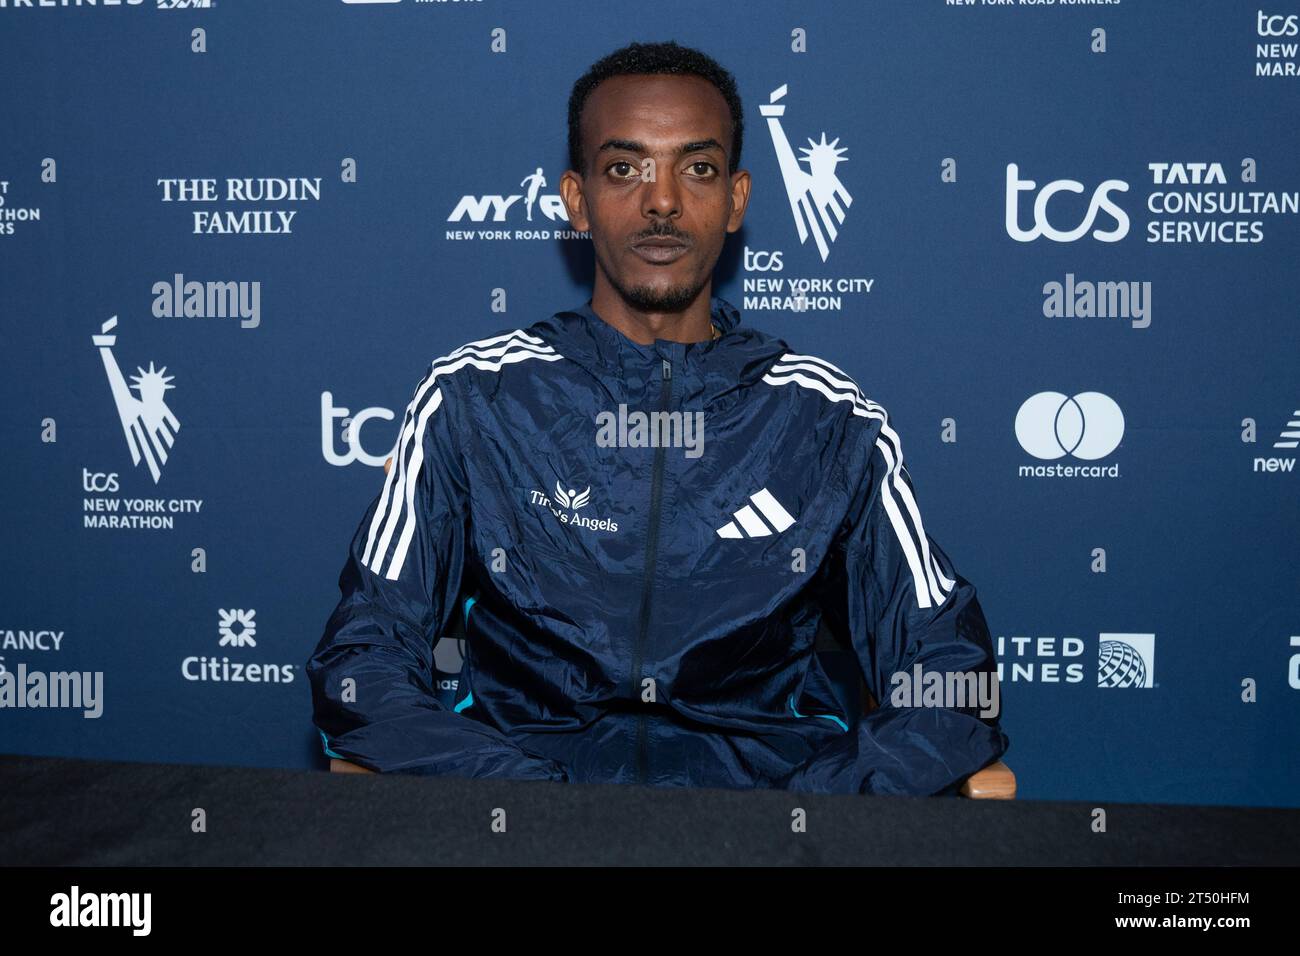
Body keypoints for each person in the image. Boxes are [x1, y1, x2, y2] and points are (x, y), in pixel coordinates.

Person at [306, 40, 1009, 795]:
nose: (662, 201)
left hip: (769, 831)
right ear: (576, 199)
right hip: (526, 826)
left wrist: (808, 814)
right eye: (625, 167)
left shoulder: (825, 420)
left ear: (736, 200)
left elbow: (954, 679)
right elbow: (364, 662)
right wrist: (529, 802)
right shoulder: (473, 399)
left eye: (697, 168)